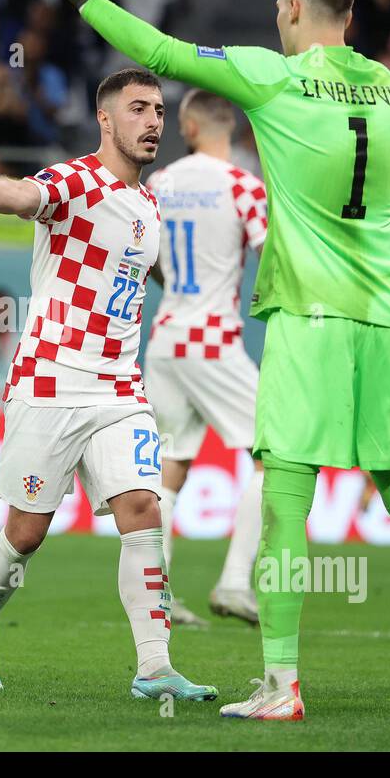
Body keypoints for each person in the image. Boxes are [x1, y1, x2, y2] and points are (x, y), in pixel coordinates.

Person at [48, 0, 390, 726]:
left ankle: (282, 685)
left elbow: (156, 52)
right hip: (388, 318)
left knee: (286, 499)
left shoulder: (272, 74)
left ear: (292, 10)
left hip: (308, 319)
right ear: (352, 18)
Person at [0, 67, 217, 703]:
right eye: (139, 109)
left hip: (119, 388)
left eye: (161, 111)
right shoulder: (76, 181)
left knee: (143, 510)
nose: (154, 122)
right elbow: (21, 196)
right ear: (106, 120)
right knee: (26, 533)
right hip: (50, 381)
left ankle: (154, 666)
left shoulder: (148, 205)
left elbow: (143, 270)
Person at [144, 88, 268, 627]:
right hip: (213, 339)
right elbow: (272, 255)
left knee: (171, 464)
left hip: (166, 337)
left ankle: (157, 598)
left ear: (190, 128)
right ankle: (235, 582)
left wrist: (172, 284)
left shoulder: (159, 183)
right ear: (233, 131)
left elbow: (141, 254)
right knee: (277, 452)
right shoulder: (243, 186)